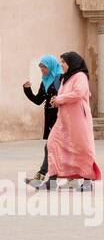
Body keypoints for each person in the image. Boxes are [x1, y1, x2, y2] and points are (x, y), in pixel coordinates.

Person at [42, 51, 101, 190]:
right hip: (63, 119)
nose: (61, 64)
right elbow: (63, 95)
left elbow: (79, 93)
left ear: (72, 63)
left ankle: (87, 182)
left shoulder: (80, 76)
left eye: (63, 61)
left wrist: (59, 99)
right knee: (52, 144)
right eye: (60, 61)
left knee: (82, 148)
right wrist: (55, 100)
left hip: (79, 119)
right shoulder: (65, 78)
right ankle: (51, 181)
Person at [22, 54, 62, 188]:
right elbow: (38, 100)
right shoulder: (44, 81)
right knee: (53, 147)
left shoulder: (60, 79)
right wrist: (27, 90)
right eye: (41, 68)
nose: (43, 71)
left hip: (61, 117)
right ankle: (52, 179)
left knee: (50, 147)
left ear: (50, 66)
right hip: (50, 117)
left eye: (44, 68)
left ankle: (42, 177)